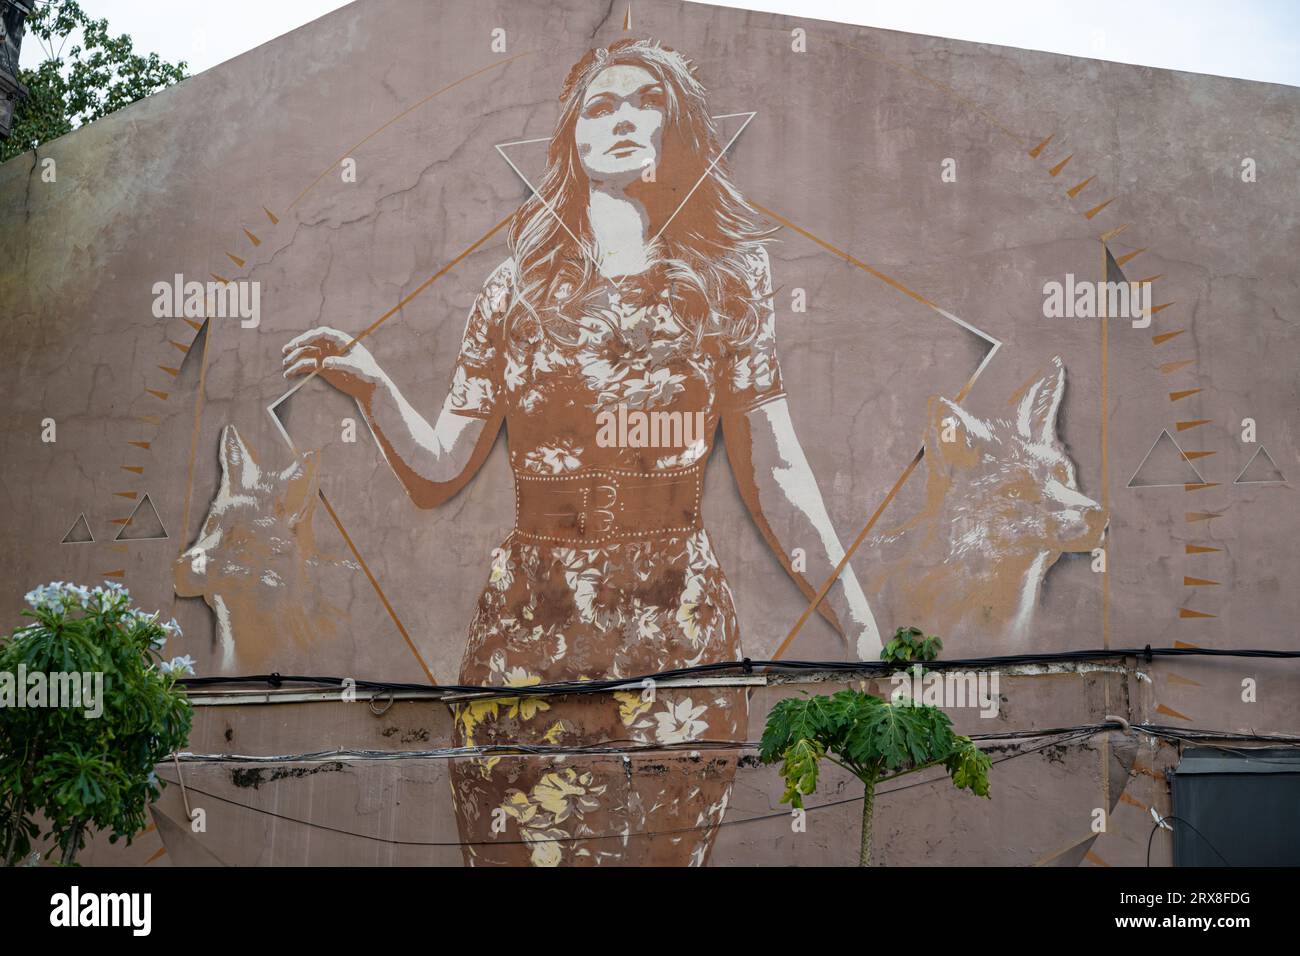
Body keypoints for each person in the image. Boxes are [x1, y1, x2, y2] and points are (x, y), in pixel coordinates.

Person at [282, 37, 880, 866]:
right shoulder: (515, 286)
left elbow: (774, 467)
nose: (623, 118)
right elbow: (442, 465)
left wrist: (858, 622)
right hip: (528, 642)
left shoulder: (729, 277)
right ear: (573, 140)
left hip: (679, 642)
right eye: (600, 106)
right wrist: (376, 389)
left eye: (645, 103)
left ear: (678, 130)